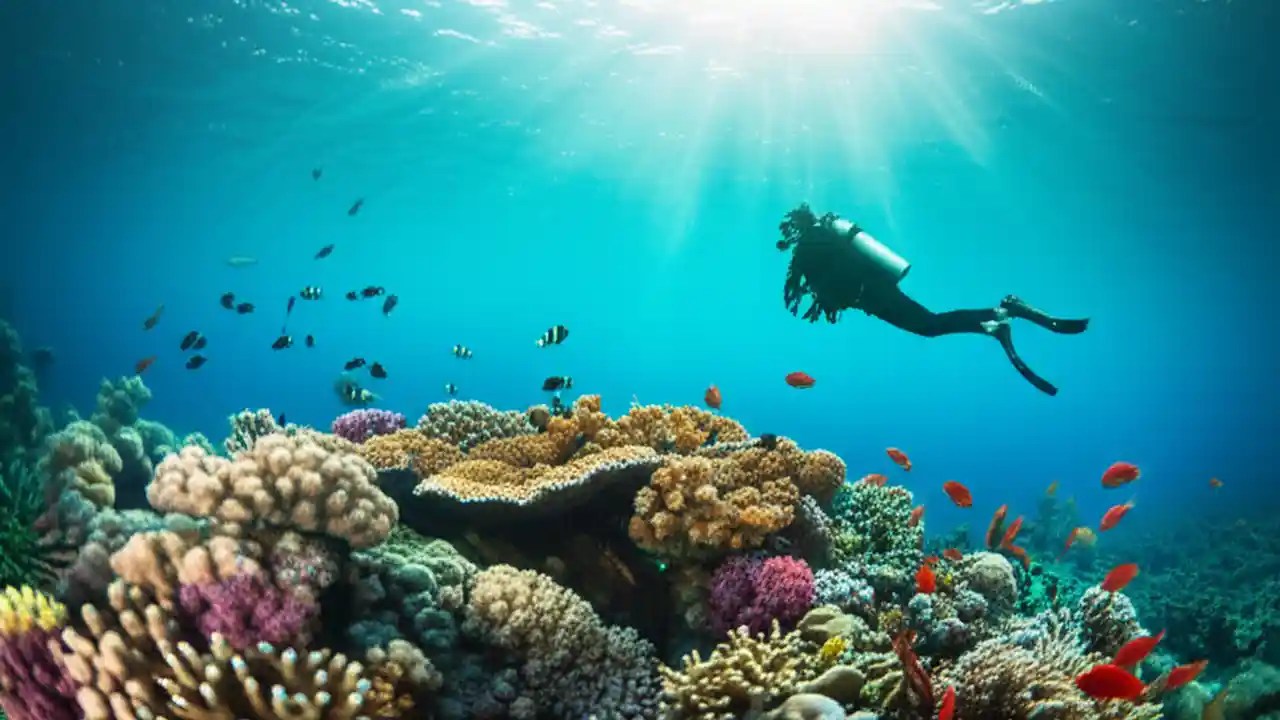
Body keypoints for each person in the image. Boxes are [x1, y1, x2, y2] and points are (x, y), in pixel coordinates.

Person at [776, 203, 1089, 396]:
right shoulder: (827, 234)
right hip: (874, 293)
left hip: (873, 296)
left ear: (796, 226)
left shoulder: (807, 248)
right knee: (932, 324)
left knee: (931, 325)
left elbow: (822, 292)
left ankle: (1003, 312)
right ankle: (995, 320)